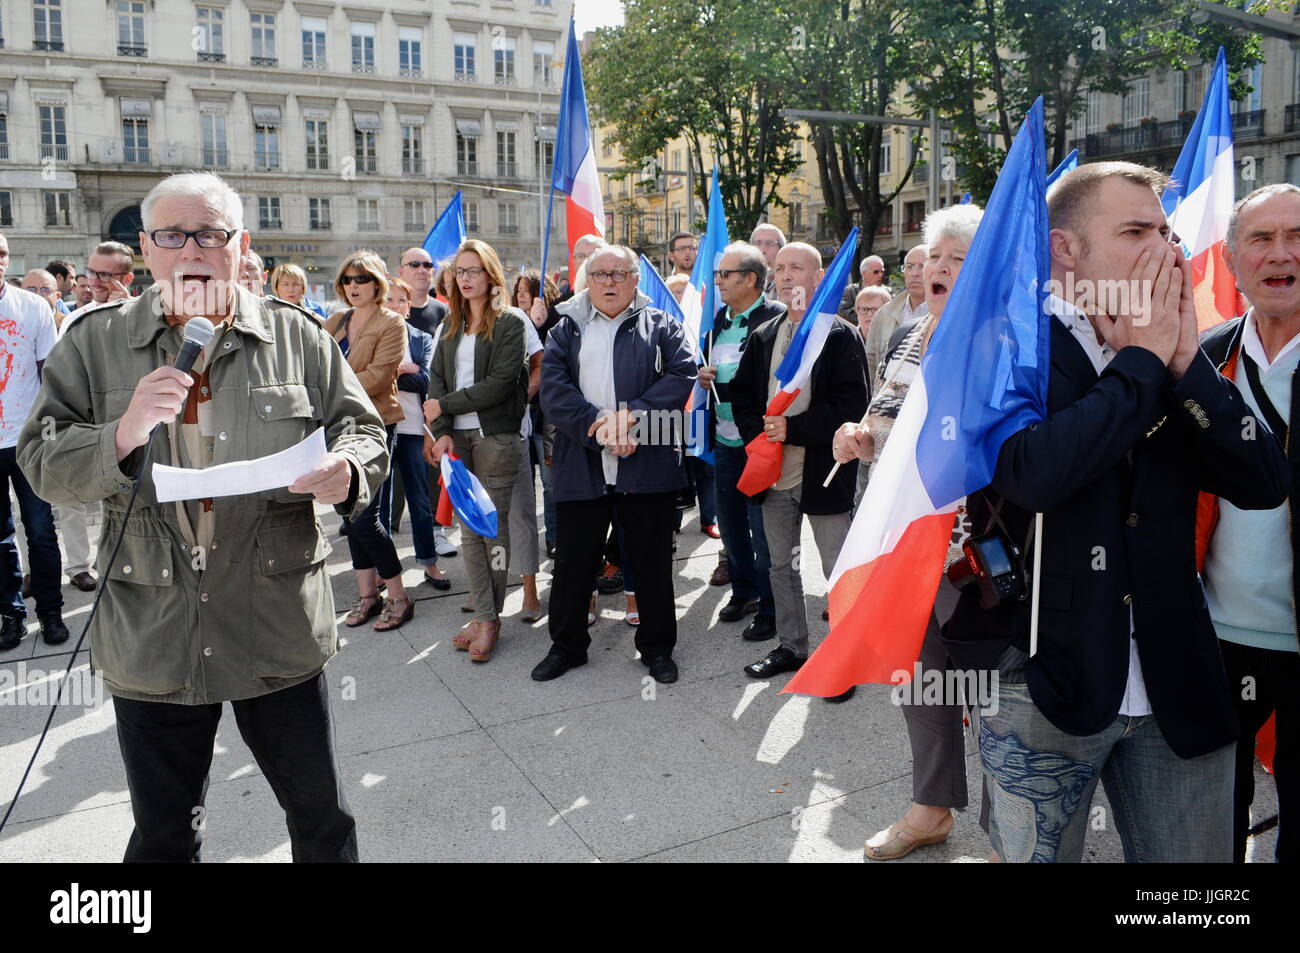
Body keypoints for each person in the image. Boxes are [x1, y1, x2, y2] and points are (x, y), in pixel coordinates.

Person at [17, 172, 388, 861]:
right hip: (153, 633)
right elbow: (41, 462)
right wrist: (120, 434)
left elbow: (362, 431)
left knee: (322, 820)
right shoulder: (92, 341)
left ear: (237, 244)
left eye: (209, 233)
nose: (191, 247)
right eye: (171, 234)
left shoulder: (297, 335)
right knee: (163, 835)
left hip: (273, 621)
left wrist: (350, 469)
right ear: (147, 251)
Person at [933, 161, 1289, 863]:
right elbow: (1035, 473)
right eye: (1135, 231)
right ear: (1066, 248)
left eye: (1165, 230)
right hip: (1043, 686)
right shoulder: (1007, 343)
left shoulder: (1177, 345)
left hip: (1178, 683)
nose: (1164, 249)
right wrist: (1144, 363)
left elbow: (1262, 478)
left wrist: (1185, 364)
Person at [833, 205, 985, 859]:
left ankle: (1014, 827)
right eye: (933, 257)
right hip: (906, 545)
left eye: (957, 257)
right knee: (922, 680)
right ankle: (931, 808)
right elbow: (881, 418)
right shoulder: (911, 335)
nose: (938, 268)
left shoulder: (1002, 339)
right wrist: (857, 437)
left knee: (999, 693)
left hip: (974, 550)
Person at [532, 245, 695, 683]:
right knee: (573, 564)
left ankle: (657, 649)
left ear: (635, 279)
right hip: (583, 464)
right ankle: (567, 647)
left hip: (647, 465)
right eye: (599, 274)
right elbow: (554, 391)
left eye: (618, 274)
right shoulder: (565, 328)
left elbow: (682, 376)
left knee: (652, 563)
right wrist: (601, 427)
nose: (608, 282)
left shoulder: (662, 325)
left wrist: (632, 419)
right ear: (587, 279)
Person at [1198, 182, 1300, 862]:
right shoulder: (1205, 358)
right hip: (1219, 635)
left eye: (1295, 237)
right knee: (1211, 821)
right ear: (1233, 262)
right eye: (1260, 239)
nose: (1280, 253)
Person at [731, 242, 867, 702]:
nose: (787, 276)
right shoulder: (764, 334)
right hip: (773, 476)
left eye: (797, 268)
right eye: (781, 268)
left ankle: (845, 658)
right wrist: (762, 436)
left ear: (819, 276)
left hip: (824, 474)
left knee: (837, 569)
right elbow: (744, 399)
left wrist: (793, 428)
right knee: (779, 566)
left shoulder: (841, 335)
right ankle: (792, 646)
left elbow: (853, 408)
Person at [423, 239, 529, 663]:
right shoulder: (449, 324)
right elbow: (436, 380)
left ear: (490, 275)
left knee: (493, 531)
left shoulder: (510, 322)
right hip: (459, 442)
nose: (465, 279)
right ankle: (485, 614)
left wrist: (444, 406)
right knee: (468, 532)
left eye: (473, 271)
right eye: (460, 272)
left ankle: (491, 618)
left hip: (496, 439)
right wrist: (443, 429)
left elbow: (500, 383)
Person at [324, 251, 415, 632]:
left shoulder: (392, 322)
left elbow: (379, 376)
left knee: (365, 516)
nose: (353, 286)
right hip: (336, 425)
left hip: (376, 423)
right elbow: (315, 364)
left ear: (377, 282)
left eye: (361, 279)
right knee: (349, 512)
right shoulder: (336, 321)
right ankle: (368, 596)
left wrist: (332, 387)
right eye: (347, 279)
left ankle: (398, 595)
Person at [699, 241, 782, 641]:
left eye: (725, 275)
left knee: (762, 530)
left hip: (759, 443)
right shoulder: (718, 320)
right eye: (718, 274)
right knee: (730, 524)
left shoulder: (776, 319)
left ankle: (771, 607)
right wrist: (706, 377)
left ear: (751, 279)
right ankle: (744, 592)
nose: (718, 282)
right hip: (724, 440)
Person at [0, 235, 68, 651]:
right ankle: (11, 614)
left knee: (41, 531)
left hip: (26, 441)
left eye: (2, 253)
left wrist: (52, 433)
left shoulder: (32, 307)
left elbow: (51, 373)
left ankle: (51, 611)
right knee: (0, 536)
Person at [383, 276, 449, 591]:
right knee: (379, 505)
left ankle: (429, 564)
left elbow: (427, 382)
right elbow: (369, 379)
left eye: (401, 300)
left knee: (420, 503)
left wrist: (395, 372)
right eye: (389, 299)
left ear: (409, 308)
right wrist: (402, 370)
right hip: (380, 428)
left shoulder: (422, 339)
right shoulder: (372, 336)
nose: (395, 306)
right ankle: (385, 570)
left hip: (414, 429)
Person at [513, 270, 561, 562]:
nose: (521, 294)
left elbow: (551, 363)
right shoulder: (509, 321)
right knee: (522, 484)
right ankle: (525, 544)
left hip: (546, 417)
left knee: (550, 480)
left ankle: (554, 537)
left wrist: (542, 326)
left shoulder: (555, 323)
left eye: (528, 289)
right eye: (518, 289)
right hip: (518, 418)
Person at [864, 244, 929, 381]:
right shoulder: (884, 314)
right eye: (909, 266)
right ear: (903, 271)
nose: (915, 273)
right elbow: (870, 362)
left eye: (922, 266)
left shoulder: (945, 315)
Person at [397, 246, 450, 339]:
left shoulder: (443, 311)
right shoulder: (388, 308)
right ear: (401, 272)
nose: (422, 270)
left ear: (433, 272)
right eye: (414, 264)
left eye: (427, 265)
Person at [837, 254, 888, 319]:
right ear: (864, 274)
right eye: (876, 272)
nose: (880, 275)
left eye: (882, 272)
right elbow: (842, 312)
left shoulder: (888, 291)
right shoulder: (850, 291)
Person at [749, 223, 786, 296]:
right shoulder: (744, 281)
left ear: (781, 249)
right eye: (757, 243)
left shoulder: (786, 282)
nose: (762, 249)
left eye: (770, 244)